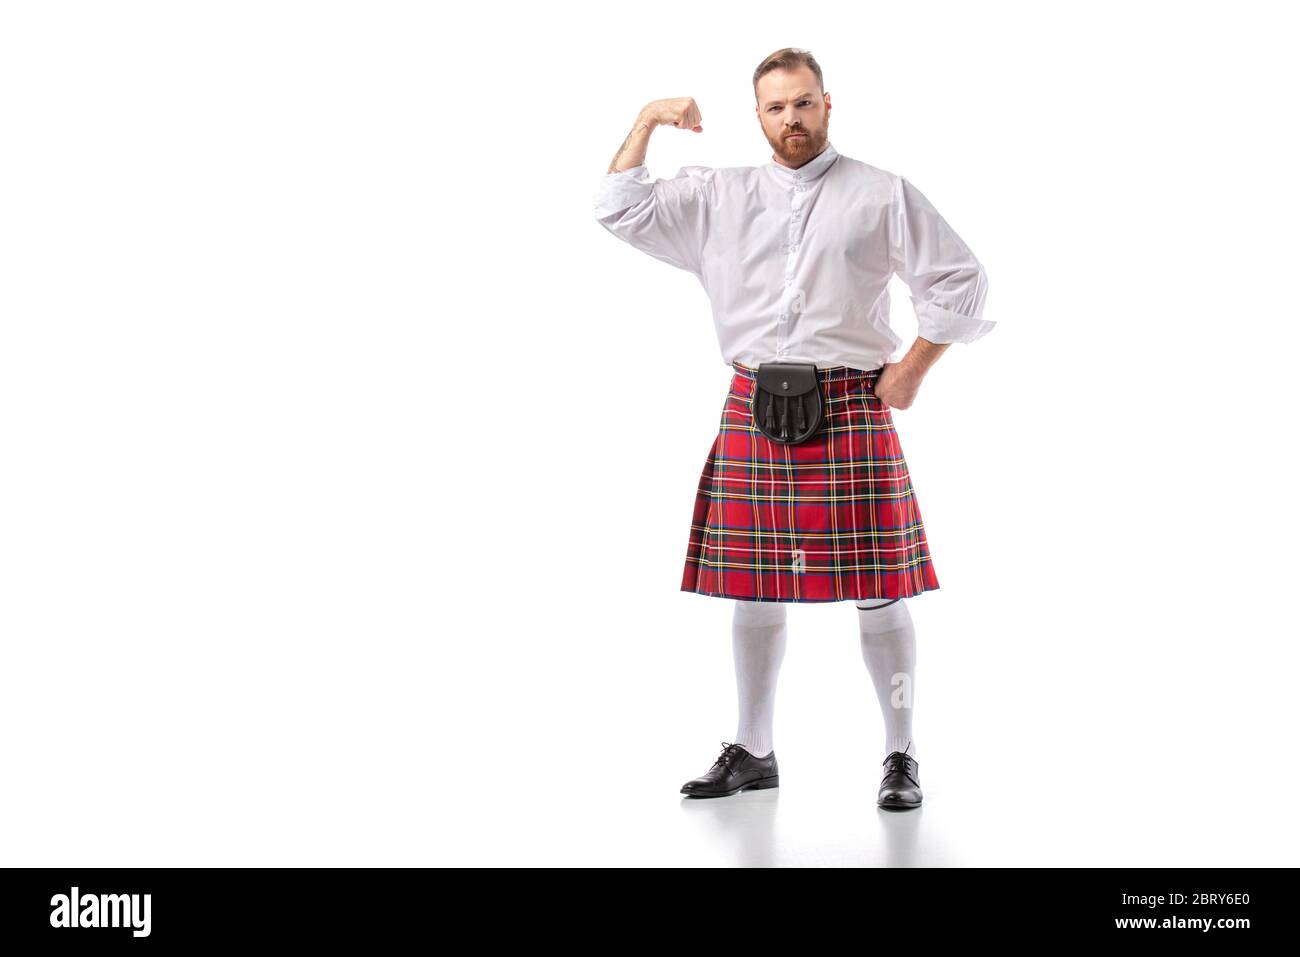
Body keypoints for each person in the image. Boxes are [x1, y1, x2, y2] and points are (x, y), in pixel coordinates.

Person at [592, 48, 992, 810]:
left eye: (804, 103)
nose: (793, 119)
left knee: (879, 586)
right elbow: (617, 206)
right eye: (777, 108)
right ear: (759, 116)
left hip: (849, 408)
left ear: (828, 104)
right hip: (751, 404)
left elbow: (960, 276)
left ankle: (901, 754)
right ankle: (753, 748)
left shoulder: (880, 193)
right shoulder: (718, 194)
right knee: (753, 585)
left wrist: (911, 369)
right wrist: (647, 118)